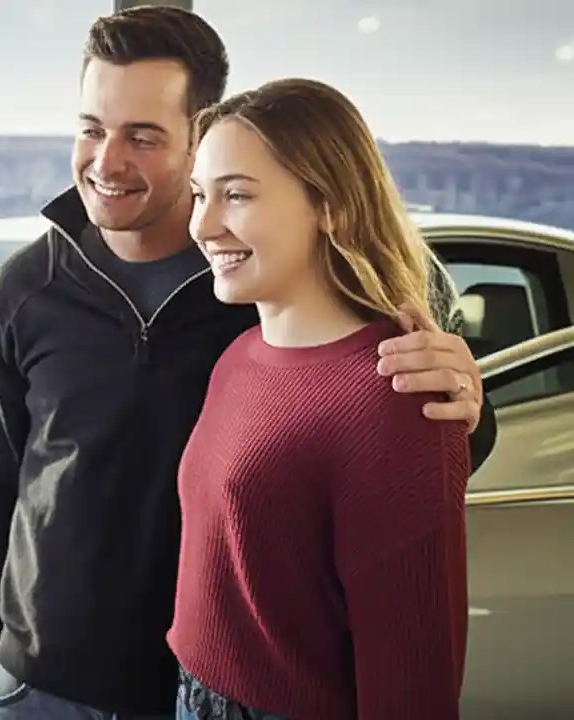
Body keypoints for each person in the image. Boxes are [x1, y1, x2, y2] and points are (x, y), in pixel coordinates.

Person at [0, 7, 495, 719]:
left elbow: (406, 449)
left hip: (213, 687)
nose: (107, 161)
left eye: (143, 137)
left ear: (199, 135)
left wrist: (467, 398)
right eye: (91, 128)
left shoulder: (268, 280)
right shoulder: (26, 289)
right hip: (42, 689)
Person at [169, 78, 471, 720]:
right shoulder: (238, 357)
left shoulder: (399, 399)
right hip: (192, 694)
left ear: (330, 204)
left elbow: (414, 685)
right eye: (200, 194)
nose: (201, 224)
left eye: (237, 195)